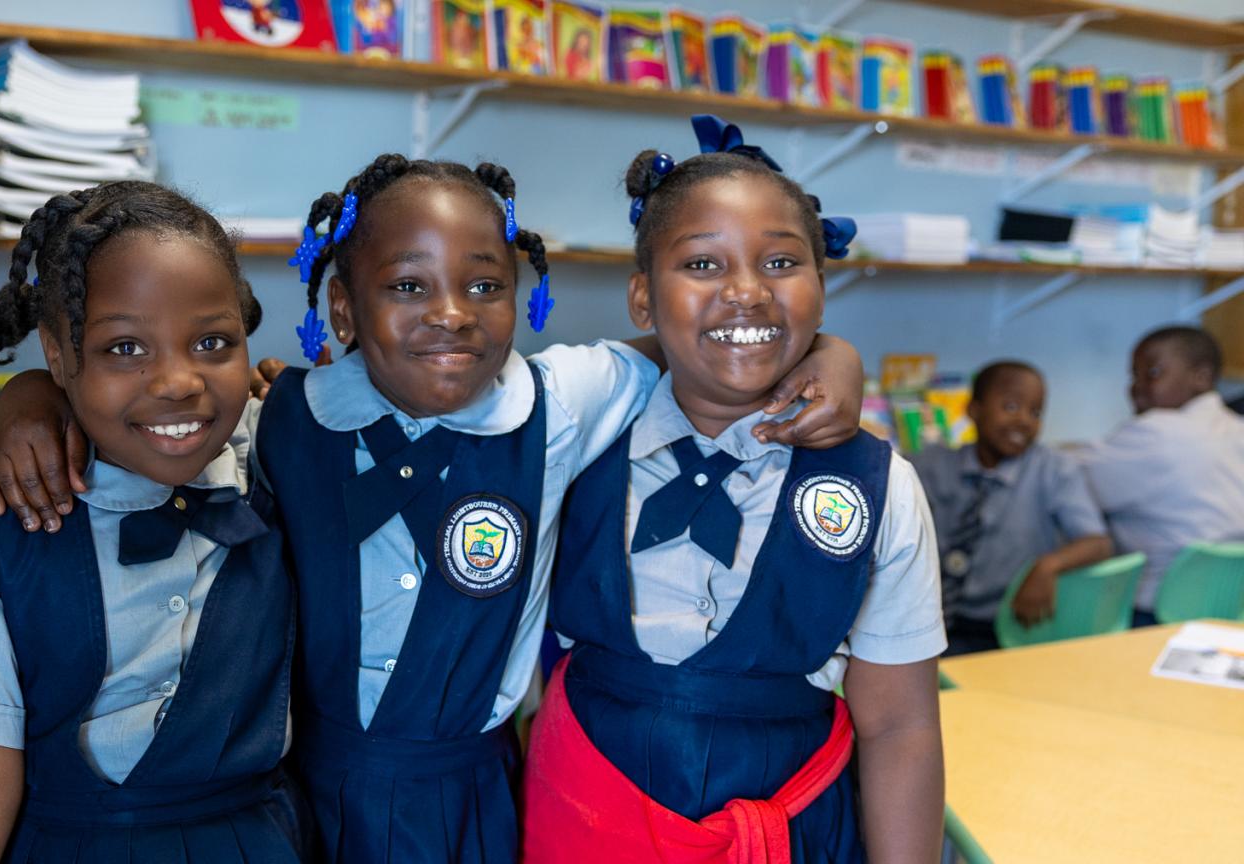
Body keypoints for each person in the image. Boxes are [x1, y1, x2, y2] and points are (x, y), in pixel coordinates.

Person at [0, 154, 866, 862]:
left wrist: (826, 352)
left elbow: (699, 337)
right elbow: (148, 400)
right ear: (343, 309)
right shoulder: (281, 414)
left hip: (472, 793)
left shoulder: (561, 401)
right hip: (303, 793)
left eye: (485, 285)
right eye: (407, 286)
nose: (452, 314)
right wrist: (31, 397)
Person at [524, 116, 946, 863]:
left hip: (794, 823)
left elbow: (900, 727)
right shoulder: (576, 438)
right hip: (587, 810)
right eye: (703, 265)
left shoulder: (879, 486)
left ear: (821, 288)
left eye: (782, 262)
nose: (747, 291)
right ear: (643, 301)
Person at [0, 182, 306, 863]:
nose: (177, 381)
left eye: (213, 341)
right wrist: (30, 393)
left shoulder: (287, 460)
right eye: (124, 348)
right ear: (57, 352)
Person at [910, 361, 1111, 654]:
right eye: (1012, 406)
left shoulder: (1054, 470)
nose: (1025, 421)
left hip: (1008, 627)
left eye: (1036, 412)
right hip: (927, 620)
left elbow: (1098, 543)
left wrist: (1047, 566)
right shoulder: (930, 465)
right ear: (974, 410)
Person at [1081, 325, 1244, 625]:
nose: (1136, 386)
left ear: (1202, 377)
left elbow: (1070, 481)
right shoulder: (1238, 429)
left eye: (1153, 373)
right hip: (1231, 615)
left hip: (1154, 617)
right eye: (1134, 376)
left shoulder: (1157, 432)